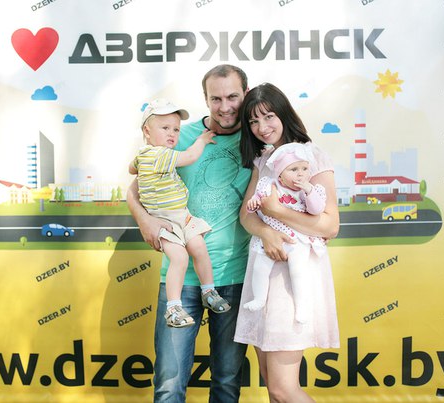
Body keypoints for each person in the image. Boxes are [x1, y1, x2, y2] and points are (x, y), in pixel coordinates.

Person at [126, 64, 251, 402]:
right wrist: (146, 221)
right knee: (169, 383)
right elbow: (133, 190)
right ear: (206, 99)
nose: (225, 106)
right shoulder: (178, 135)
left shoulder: (257, 139)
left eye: (232, 97)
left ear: (245, 94)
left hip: (234, 277)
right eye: (216, 99)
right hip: (180, 281)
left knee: (227, 383)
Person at [233, 82, 340, 402]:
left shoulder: (311, 156)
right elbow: (246, 215)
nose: (262, 127)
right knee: (273, 388)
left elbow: (330, 225)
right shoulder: (263, 160)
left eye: (268, 117)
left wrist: (276, 211)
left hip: (294, 281)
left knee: (283, 388)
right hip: (263, 275)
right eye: (253, 121)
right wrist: (266, 231)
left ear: (284, 114)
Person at [129, 98, 231, 328]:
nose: (172, 134)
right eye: (165, 128)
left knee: (198, 247)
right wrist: (202, 140)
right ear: (147, 131)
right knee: (181, 258)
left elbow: (131, 168)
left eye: (176, 129)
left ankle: (208, 291)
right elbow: (190, 157)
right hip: (167, 223)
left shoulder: (143, 155)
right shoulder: (160, 155)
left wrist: (139, 168)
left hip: (182, 217)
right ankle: (173, 307)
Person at [243, 142, 327, 326]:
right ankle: (259, 298)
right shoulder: (269, 184)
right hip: (272, 236)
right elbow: (257, 201)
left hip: (297, 239)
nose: (301, 174)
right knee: (260, 268)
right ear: (280, 173)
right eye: (293, 169)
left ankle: (302, 307)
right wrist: (253, 203)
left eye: (304, 168)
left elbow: (316, 209)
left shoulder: (310, 190)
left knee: (299, 271)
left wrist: (308, 190)